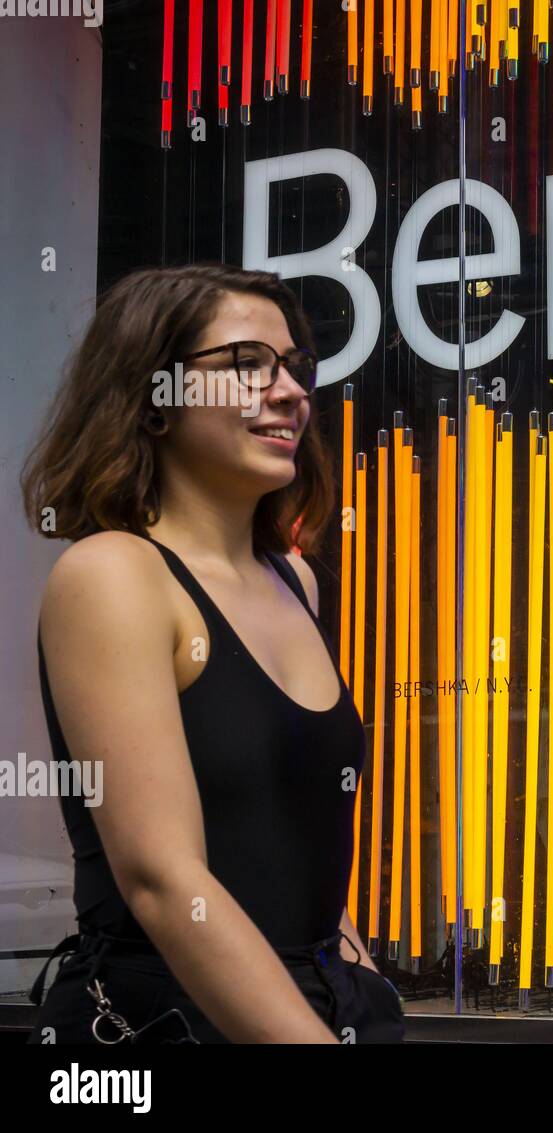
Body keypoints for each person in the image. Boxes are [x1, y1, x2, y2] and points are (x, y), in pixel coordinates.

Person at [20, 263, 404, 1043]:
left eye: (295, 366)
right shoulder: (112, 574)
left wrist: (355, 979)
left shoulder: (297, 580)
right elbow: (163, 879)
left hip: (313, 1008)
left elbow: (293, 839)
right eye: (244, 366)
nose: (293, 391)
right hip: (163, 1022)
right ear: (153, 400)